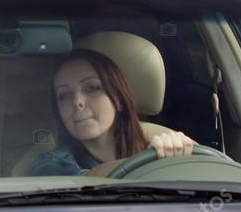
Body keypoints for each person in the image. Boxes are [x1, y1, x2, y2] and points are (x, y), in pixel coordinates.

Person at [30, 49, 195, 176]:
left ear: (118, 98)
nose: (77, 102)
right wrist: (152, 164)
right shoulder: (51, 165)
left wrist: (180, 155)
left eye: (92, 88)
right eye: (64, 95)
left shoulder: (160, 146)